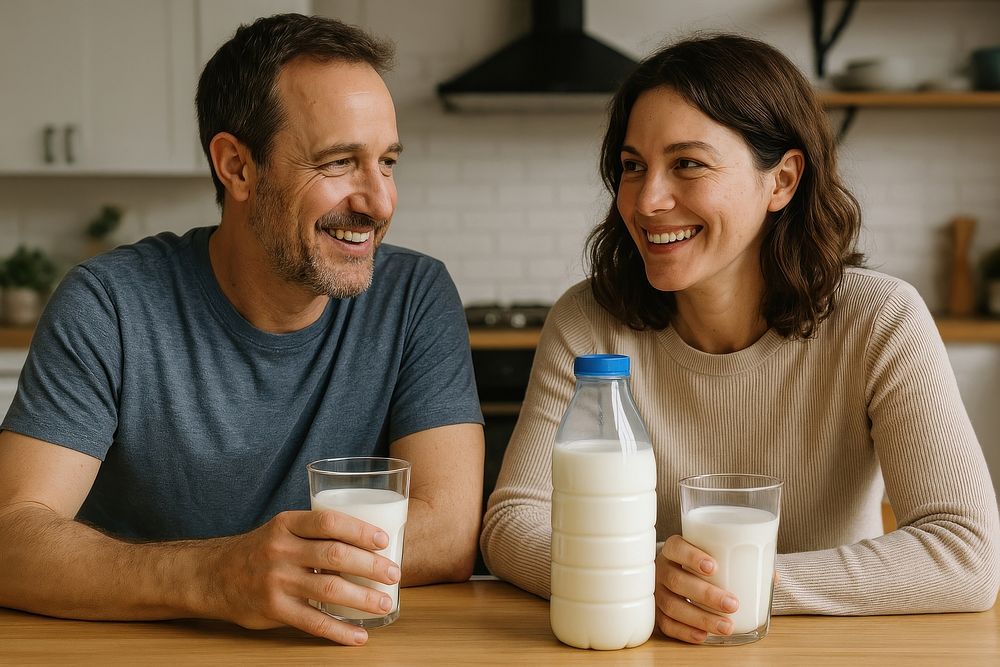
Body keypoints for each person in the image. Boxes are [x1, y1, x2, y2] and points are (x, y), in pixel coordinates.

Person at [480, 33, 999, 644]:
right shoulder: (590, 320)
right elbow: (513, 522)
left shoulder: (880, 320)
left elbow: (966, 553)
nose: (647, 201)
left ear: (781, 182)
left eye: (688, 164)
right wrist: (637, 574)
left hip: (828, 652)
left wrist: (735, 590)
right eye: (632, 166)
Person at [0, 14, 485, 646]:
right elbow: (11, 534)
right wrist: (218, 576)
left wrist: (281, 571)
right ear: (236, 167)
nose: (380, 201)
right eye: (338, 163)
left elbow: (448, 535)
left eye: (387, 162)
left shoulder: (414, 296)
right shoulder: (110, 304)